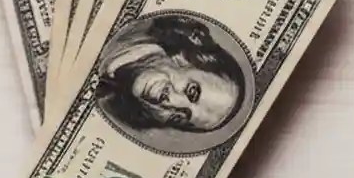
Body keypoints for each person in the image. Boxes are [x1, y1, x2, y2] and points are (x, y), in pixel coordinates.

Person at [97, 15, 245, 134]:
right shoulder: (131, 28)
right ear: (185, 58)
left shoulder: (105, 98)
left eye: (179, 118)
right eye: (191, 91)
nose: (172, 102)